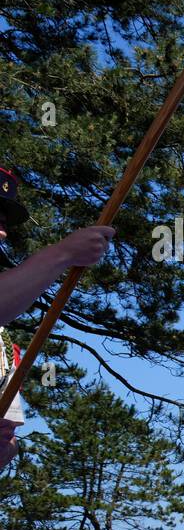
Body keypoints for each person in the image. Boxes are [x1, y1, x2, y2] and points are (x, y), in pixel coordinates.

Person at [0, 166, 114, 470]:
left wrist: (4, 447)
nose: (2, 231)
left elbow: (8, 445)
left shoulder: (5, 348)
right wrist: (63, 253)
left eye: (2, 222)